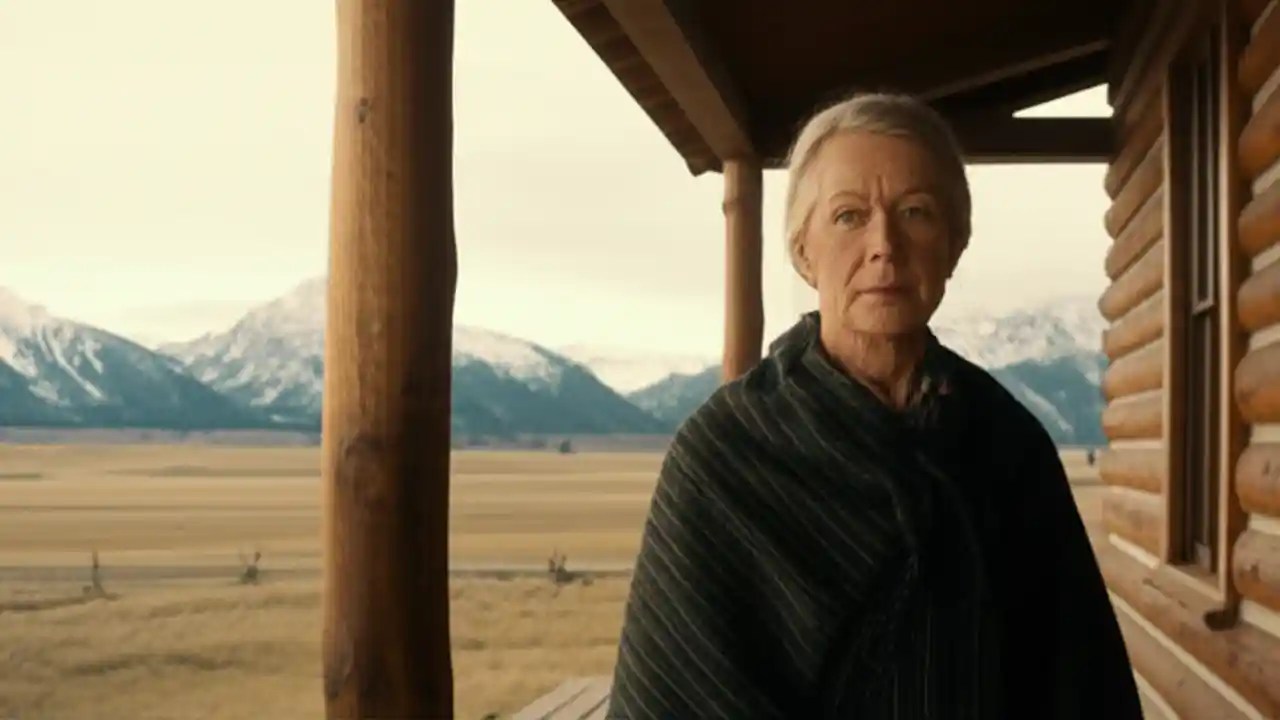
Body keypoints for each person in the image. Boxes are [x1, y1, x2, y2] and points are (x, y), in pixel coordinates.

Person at [609, 93, 1141, 719]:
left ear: (955, 244)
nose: (884, 243)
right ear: (803, 250)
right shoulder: (726, 453)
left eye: (915, 212)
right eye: (848, 216)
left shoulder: (1008, 444)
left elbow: (1079, 685)